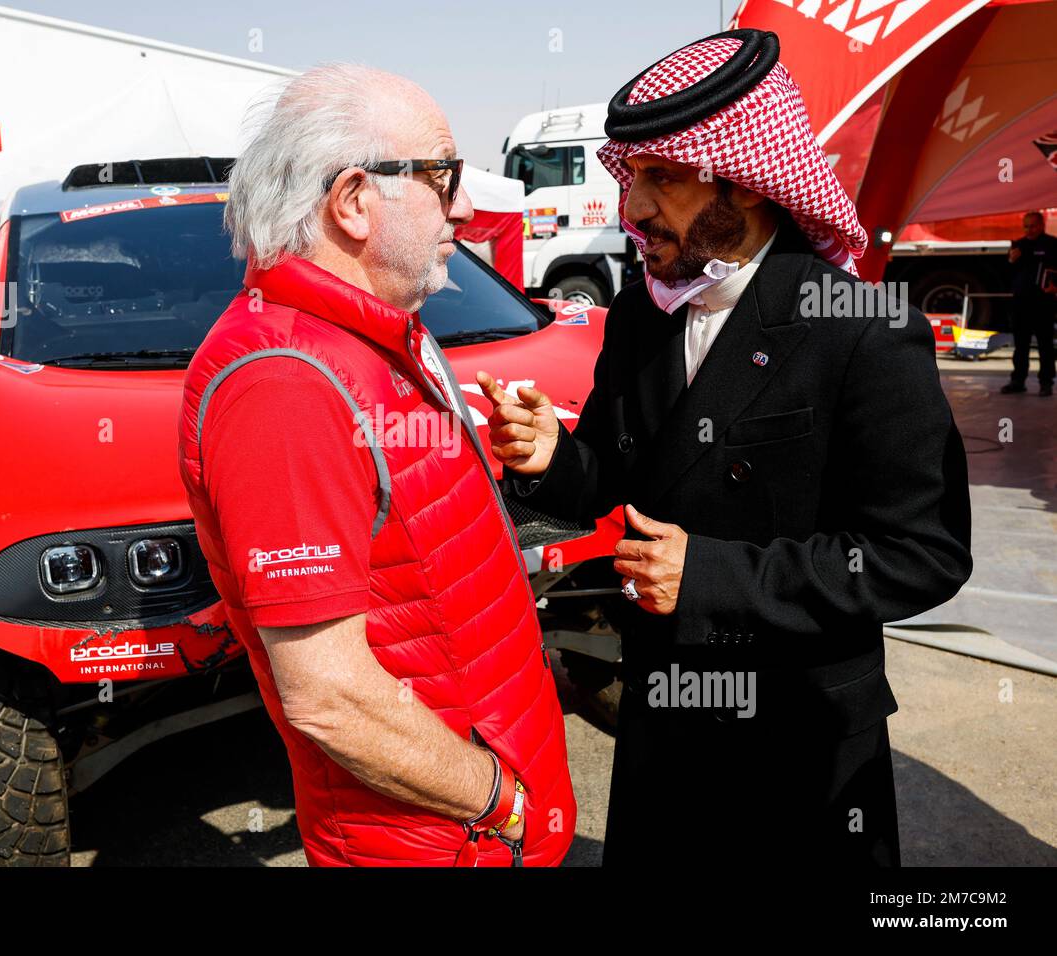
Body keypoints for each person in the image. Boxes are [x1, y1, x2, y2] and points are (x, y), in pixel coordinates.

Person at [481, 29, 972, 867]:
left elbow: (920, 554)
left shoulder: (862, 330)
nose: (633, 210)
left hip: (799, 744)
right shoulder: (641, 312)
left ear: (744, 184)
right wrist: (548, 456)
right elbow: (608, 477)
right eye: (633, 178)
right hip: (664, 721)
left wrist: (709, 577)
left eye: (662, 180)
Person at [177, 65, 576, 867]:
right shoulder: (285, 383)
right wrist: (500, 803)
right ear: (354, 200)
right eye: (442, 176)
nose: (466, 206)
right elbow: (328, 697)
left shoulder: (378, 331)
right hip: (437, 841)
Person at [1000, 211, 1057, 396]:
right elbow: (1006, 276)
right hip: (1021, 303)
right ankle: (1018, 381)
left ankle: (1046, 382)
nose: (1029, 229)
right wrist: (1010, 261)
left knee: (1045, 344)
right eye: (1026, 226)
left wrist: (1055, 287)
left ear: (1041, 225)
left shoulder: (1052, 244)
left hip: (1043, 303)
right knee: (1021, 345)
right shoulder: (1018, 246)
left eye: (1032, 226)